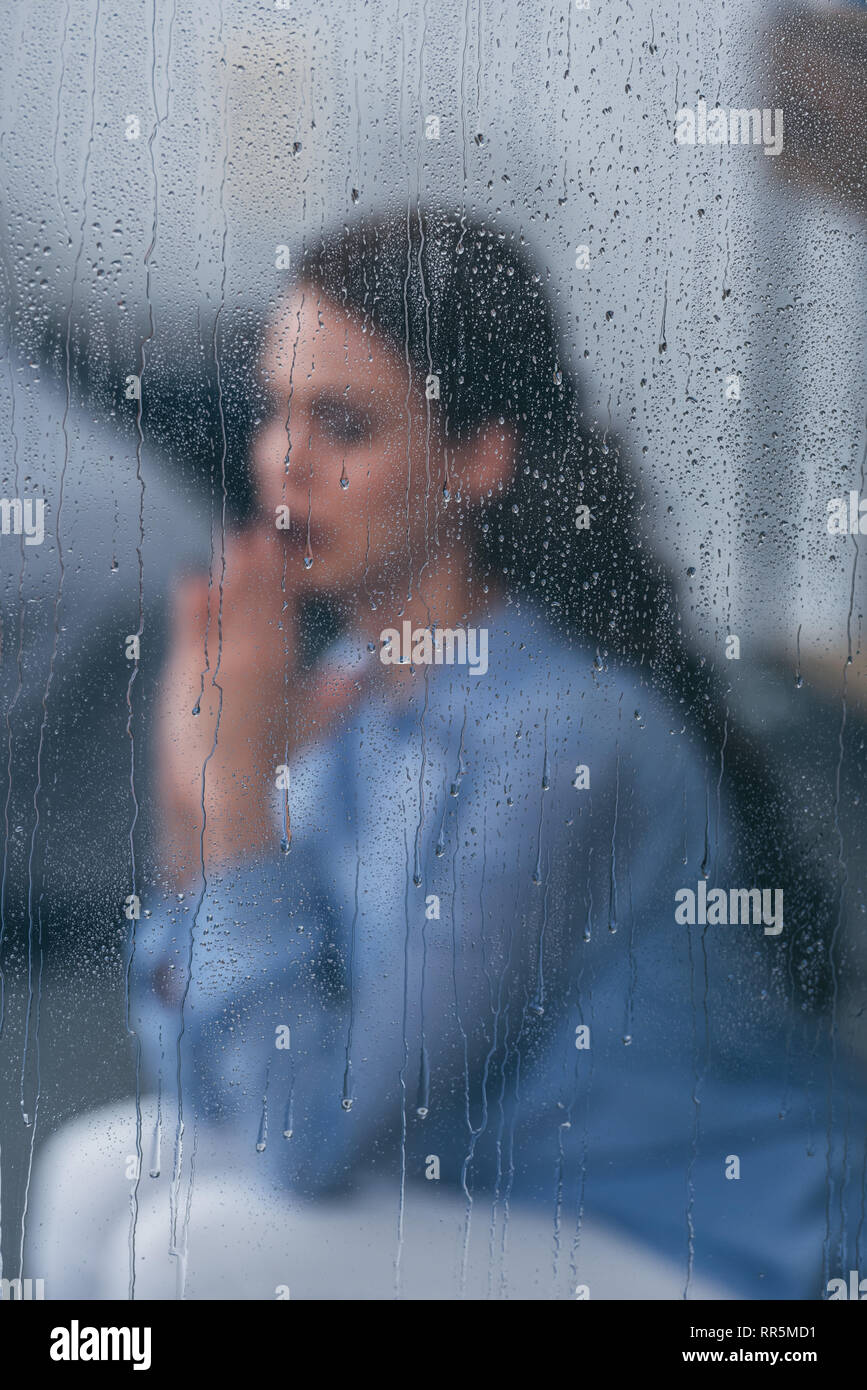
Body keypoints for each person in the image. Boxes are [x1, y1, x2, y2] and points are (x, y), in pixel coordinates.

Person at [26, 210, 865, 1300]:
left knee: (180, 1249)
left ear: (478, 457)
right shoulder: (360, 704)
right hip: (498, 1183)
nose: (286, 462)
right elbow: (209, 1076)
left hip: (716, 1254)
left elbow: (308, 1130)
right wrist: (195, 793)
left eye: (344, 424)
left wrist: (236, 795)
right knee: (94, 1172)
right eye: (275, 411)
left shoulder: (566, 741)